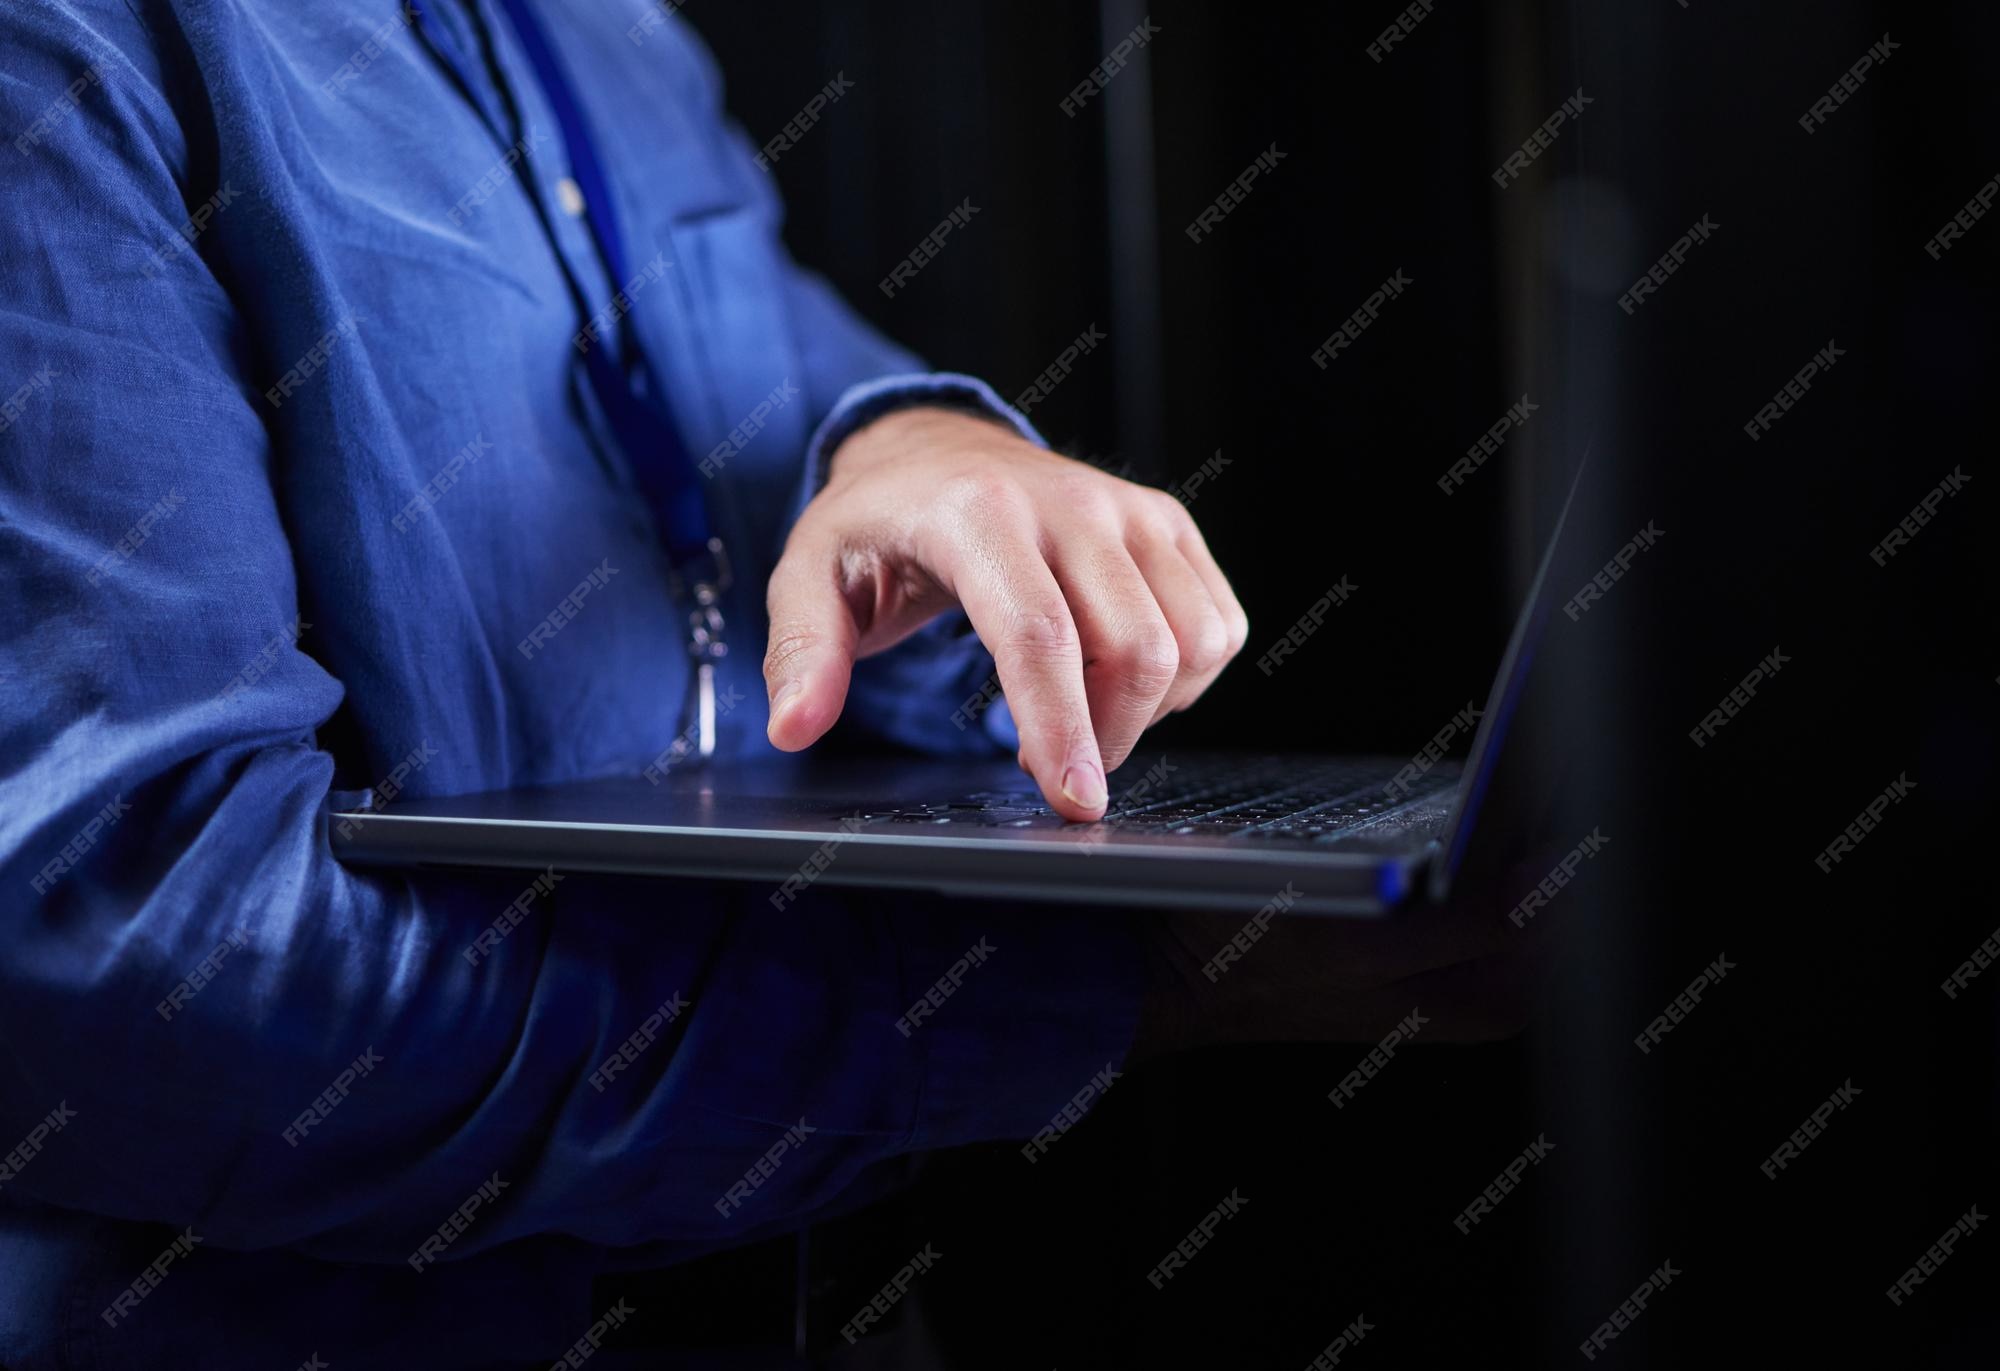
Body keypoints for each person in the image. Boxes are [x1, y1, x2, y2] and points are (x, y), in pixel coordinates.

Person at [0, 4, 1535, 1365]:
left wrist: (924, 448)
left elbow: (800, 460)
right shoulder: (60, 54)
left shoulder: (612, 37)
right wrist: (1123, 986)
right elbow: (134, 949)